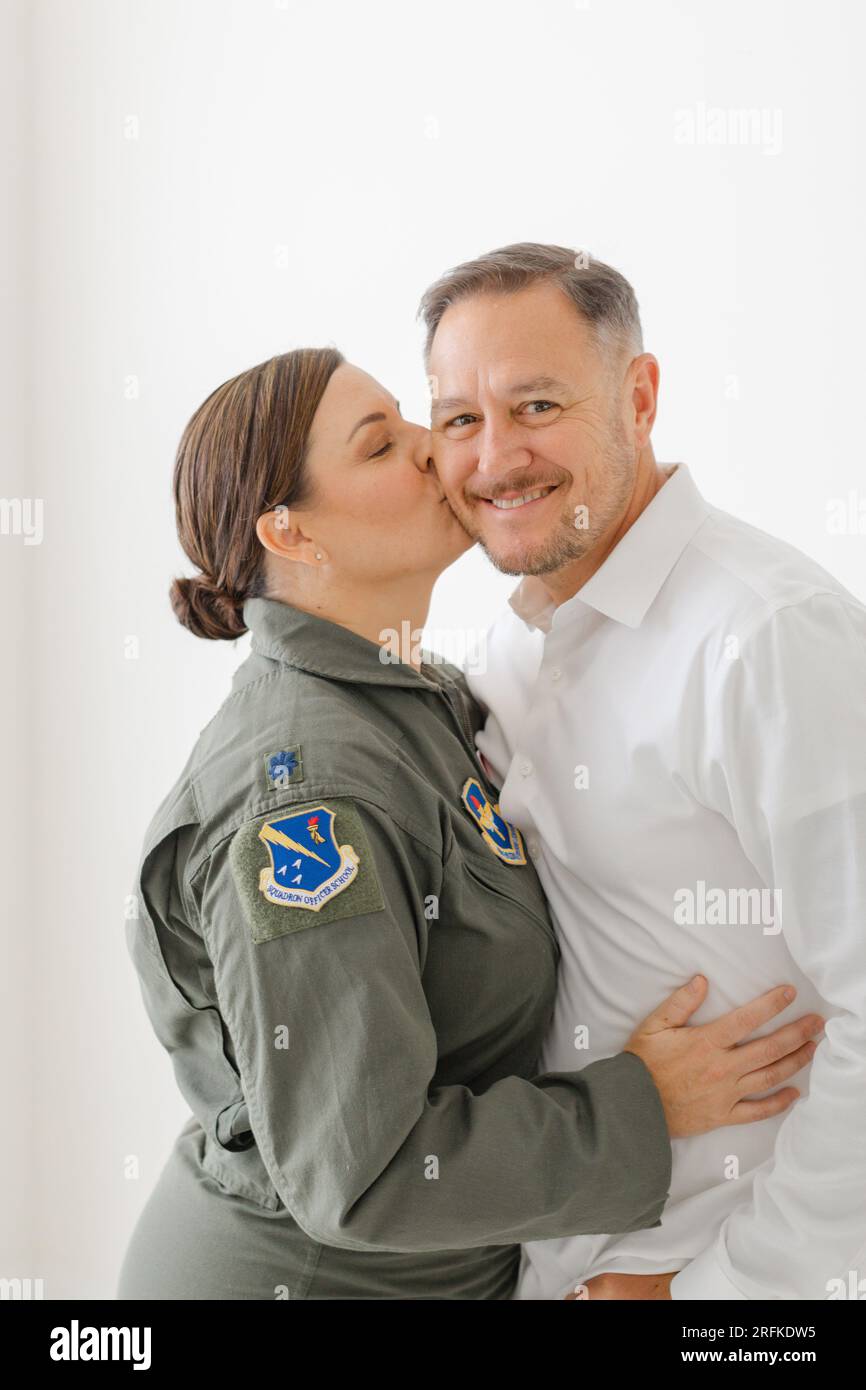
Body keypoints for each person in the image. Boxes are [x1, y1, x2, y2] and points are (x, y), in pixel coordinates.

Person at [116, 347, 822, 1301]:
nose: (436, 451)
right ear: (292, 535)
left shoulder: (420, 699)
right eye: (380, 447)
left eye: (414, 422)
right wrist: (644, 1106)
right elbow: (359, 1171)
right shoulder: (306, 798)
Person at [420, 240, 866, 1301]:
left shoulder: (767, 636)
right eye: (458, 421)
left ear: (639, 394)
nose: (494, 459)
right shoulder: (505, 655)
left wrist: (717, 1293)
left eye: (535, 406)